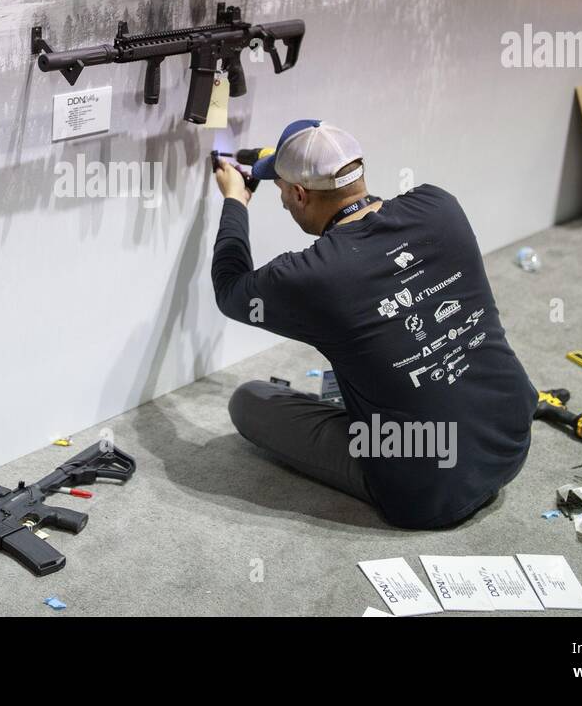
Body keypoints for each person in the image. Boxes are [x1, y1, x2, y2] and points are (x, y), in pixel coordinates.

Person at [210, 120, 537, 529]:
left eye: (283, 193)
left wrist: (234, 200)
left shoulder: (311, 277)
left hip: (428, 485)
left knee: (250, 401)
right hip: (509, 439)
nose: (283, 203)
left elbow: (229, 288)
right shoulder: (439, 207)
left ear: (299, 192)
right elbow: (368, 229)